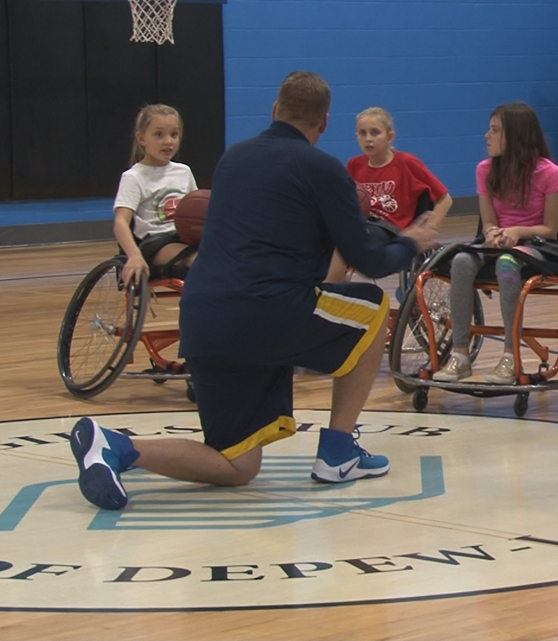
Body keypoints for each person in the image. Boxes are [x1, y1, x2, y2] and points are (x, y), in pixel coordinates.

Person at [69, 71, 439, 510]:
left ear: (273, 111)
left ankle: (115, 447)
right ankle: (339, 451)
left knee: (237, 466)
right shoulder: (323, 168)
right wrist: (411, 241)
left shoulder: (232, 160)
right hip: (267, 313)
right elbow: (373, 262)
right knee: (374, 307)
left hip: (204, 317)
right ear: (323, 124)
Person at [431, 102, 558, 385]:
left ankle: (510, 355)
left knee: (507, 263)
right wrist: (493, 232)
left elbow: (550, 229)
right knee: (461, 260)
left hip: (537, 246)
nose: (486, 136)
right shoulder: (485, 170)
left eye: (494, 130)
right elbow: (489, 221)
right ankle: (460, 355)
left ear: (515, 136)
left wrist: (517, 231)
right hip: (500, 243)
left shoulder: (550, 172)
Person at [325, 106, 453, 282]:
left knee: (344, 245)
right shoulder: (354, 165)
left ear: (389, 137)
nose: (368, 138)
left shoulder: (407, 163)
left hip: (390, 230)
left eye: (375, 132)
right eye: (362, 133)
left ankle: (330, 294)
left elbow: (445, 199)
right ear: (356, 137)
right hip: (363, 224)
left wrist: (428, 229)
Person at [112, 104, 199, 285]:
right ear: (141, 138)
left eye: (174, 135)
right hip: (155, 242)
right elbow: (120, 222)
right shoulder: (134, 177)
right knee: (200, 261)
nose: (168, 141)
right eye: (159, 135)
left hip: (184, 237)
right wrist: (134, 255)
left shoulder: (184, 171)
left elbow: (197, 211)